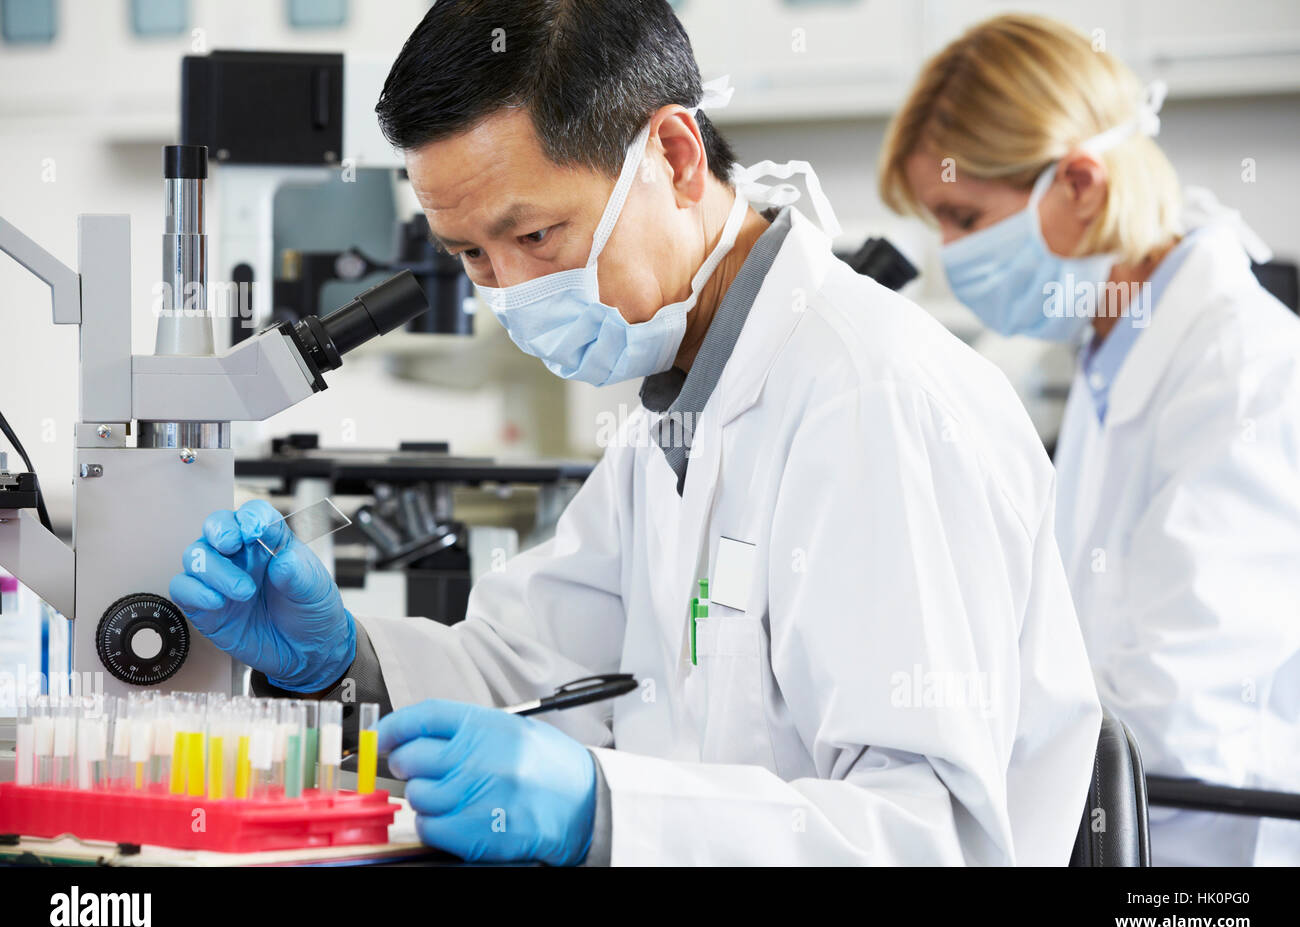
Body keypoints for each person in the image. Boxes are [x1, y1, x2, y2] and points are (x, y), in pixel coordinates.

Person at [170, 0, 1100, 866]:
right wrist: (345, 659)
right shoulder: (680, 400)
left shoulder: (875, 400)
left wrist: (607, 812)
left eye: (535, 236)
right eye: (470, 257)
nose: (509, 293)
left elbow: (931, 835)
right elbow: (540, 669)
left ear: (676, 156)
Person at [878, 13, 1300, 866]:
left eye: (963, 217)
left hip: (1198, 862)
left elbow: (1173, 707)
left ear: (1079, 184)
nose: (950, 254)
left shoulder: (1247, 371)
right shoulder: (1111, 346)